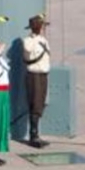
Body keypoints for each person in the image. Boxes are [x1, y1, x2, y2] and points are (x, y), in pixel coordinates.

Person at [22, 14, 52, 147]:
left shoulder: (43, 40)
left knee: (40, 103)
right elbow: (28, 50)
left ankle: (36, 134)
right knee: (35, 103)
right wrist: (34, 36)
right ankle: (33, 135)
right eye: (42, 26)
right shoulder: (28, 40)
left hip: (43, 75)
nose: (43, 28)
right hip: (33, 75)